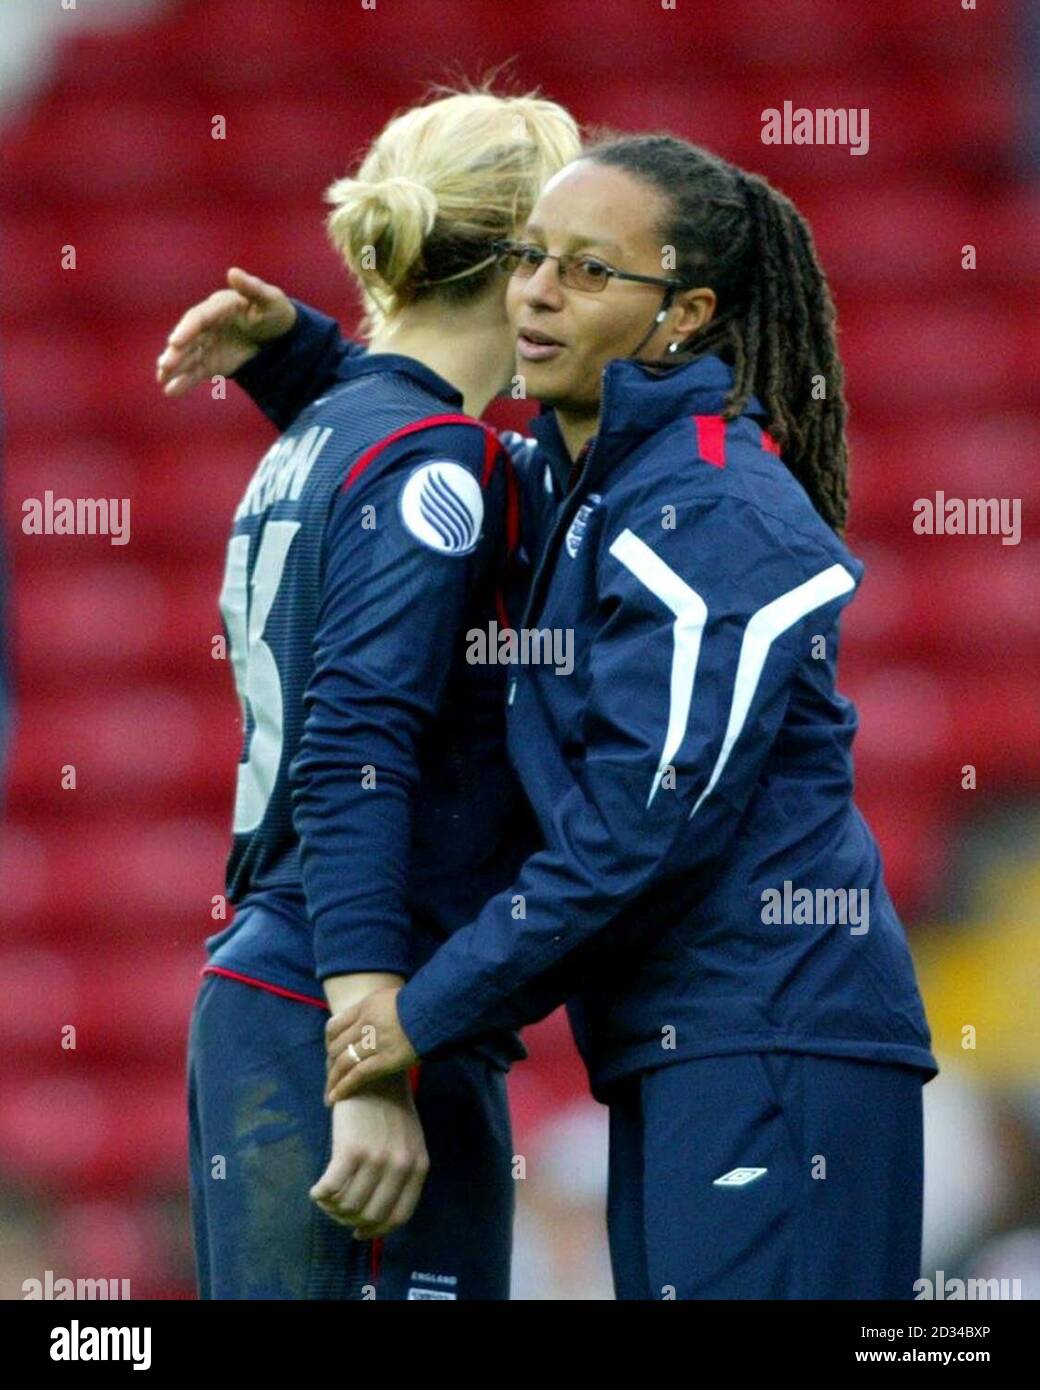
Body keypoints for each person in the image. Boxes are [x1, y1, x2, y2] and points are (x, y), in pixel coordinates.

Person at [250, 135, 940, 1300]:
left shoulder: (713, 504)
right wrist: (297, 362)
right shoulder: (594, 476)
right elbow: (445, 465)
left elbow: (640, 829)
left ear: (684, 314)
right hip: (690, 1042)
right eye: (530, 257)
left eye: (586, 271)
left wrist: (424, 1008)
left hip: (774, 1041)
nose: (535, 291)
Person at [158, 86, 580, 1300]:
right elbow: (357, 742)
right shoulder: (436, 460)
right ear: (520, 261)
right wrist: (369, 1060)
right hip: (346, 1004)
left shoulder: (338, 429)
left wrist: (301, 356)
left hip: (278, 982)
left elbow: (388, 453)